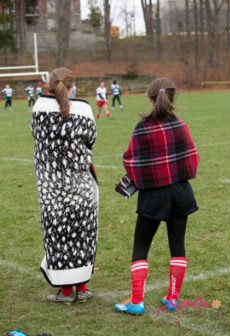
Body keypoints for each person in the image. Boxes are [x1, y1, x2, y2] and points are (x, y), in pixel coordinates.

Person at [114, 78, 199, 315]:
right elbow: (193, 158)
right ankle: (172, 298)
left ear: (150, 98)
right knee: (178, 245)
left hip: (154, 195)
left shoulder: (142, 127)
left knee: (141, 246)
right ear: (172, 97)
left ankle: (137, 302)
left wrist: (141, 180)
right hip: (181, 193)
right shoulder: (181, 125)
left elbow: (130, 160)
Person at [31, 67, 98, 303]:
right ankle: (82, 288)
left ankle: (67, 292)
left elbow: (36, 136)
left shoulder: (38, 110)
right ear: (72, 86)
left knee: (58, 238)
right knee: (83, 235)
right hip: (82, 187)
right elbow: (91, 140)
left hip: (52, 191)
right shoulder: (85, 110)